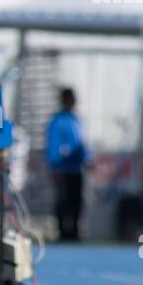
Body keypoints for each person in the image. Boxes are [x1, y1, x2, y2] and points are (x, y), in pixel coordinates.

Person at [46, 87, 88, 241]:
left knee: (77, 201)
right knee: (63, 202)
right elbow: (53, 144)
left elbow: (80, 143)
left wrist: (87, 159)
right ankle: (62, 232)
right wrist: (56, 166)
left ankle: (75, 231)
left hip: (76, 168)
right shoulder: (58, 120)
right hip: (63, 169)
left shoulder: (76, 119)